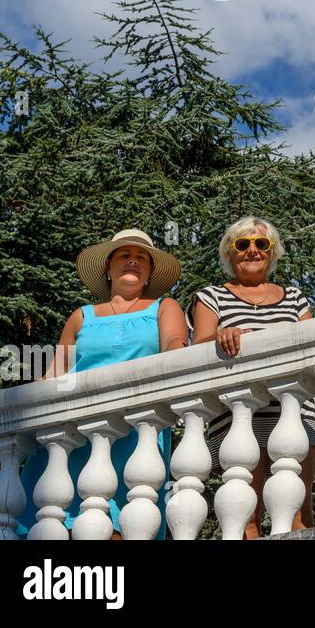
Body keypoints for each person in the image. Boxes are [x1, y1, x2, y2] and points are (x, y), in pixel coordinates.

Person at [18, 229, 188, 538]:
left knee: (123, 526)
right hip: (73, 435)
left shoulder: (163, 307)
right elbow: (55, 373)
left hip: (136, 433)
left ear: (150, 272)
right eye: (125, 256)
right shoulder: (81, 316)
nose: (133, 262)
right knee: (57, 524)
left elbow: (176, 345)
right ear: (108, 268)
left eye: (141, 258)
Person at [192, 216, 315, 538]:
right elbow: (198, 348)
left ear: (272, 252)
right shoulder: (211, 298)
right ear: (229, 253)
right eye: (243, 244)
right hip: (238, 415)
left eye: (261, 244)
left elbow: (314, 343)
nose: (252, 250)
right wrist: (222, 334)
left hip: (293, 412)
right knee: (247, 516)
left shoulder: (295, 298)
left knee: (298, 511)